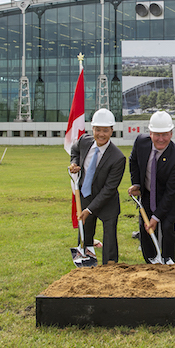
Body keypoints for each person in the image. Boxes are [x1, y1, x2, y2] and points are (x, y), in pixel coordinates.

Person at [127, 111, 175, 264]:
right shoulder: (141, 142)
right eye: (157, 134)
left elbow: (171, 192)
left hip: (172, 198)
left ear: (171, 133)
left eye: (165, 134)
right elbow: (133, 160)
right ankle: (151, 260)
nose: (161, 139)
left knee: (167, 226)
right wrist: (137, 184)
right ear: (150, 133)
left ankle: (169, 261)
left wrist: (156, 217)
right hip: (147, 193)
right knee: (145, 227)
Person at [68, 108, 127, 264]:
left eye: (105, 130)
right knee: (85, 231)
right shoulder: (83, 141)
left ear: (112, 131)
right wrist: (74, 162)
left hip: (107, 201)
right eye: (98, 130)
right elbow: (74, 150)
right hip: (86, 195)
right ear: (92, 129)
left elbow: (109, 189)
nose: (101, 134)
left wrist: (89, 210)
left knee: (109, 235)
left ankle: (110, 265)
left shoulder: (118, 158)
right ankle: (86, 263)